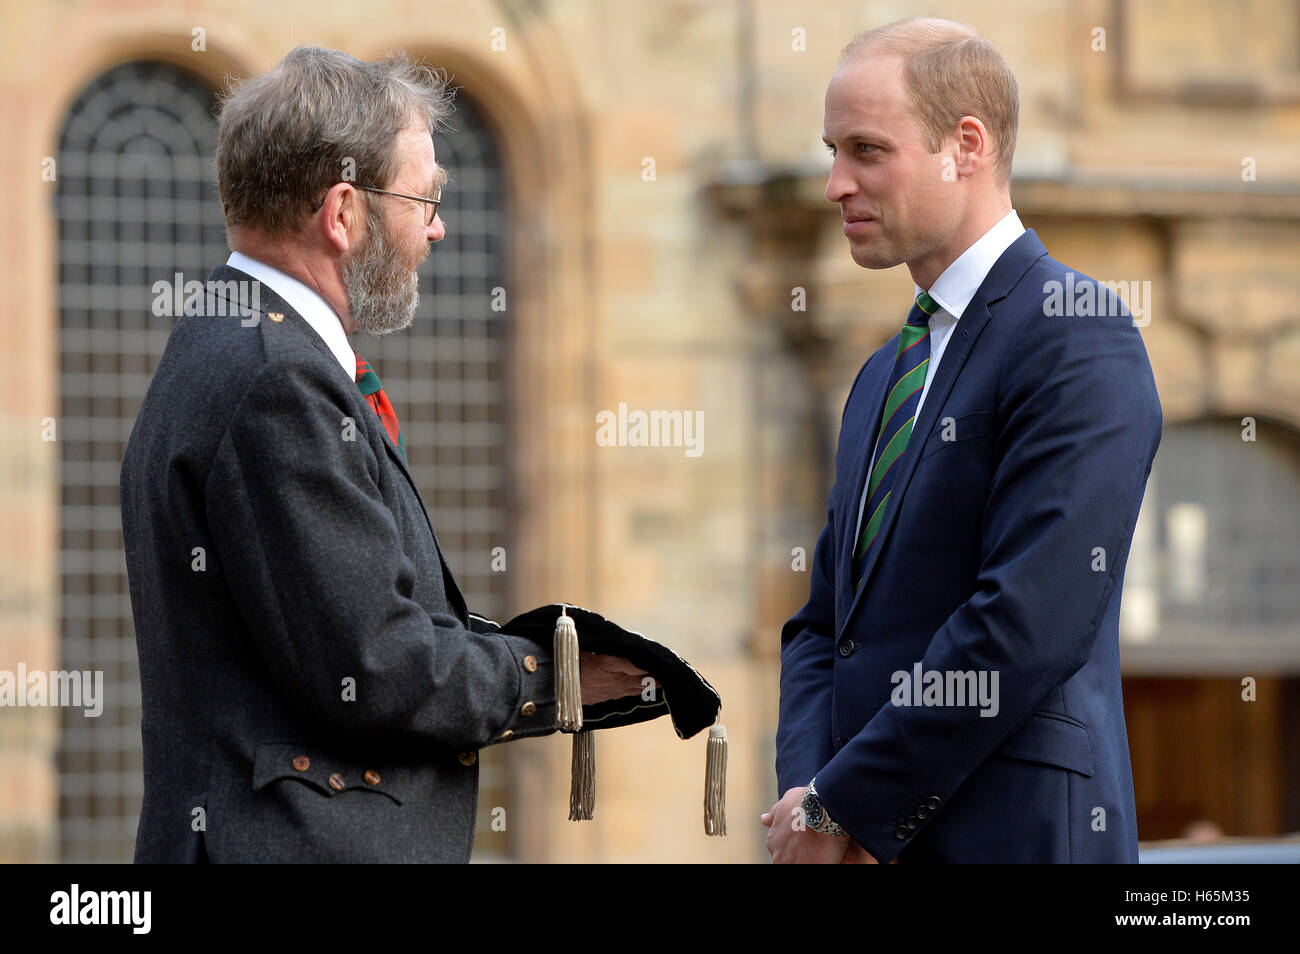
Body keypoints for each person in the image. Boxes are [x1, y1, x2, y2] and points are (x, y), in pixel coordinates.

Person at [120, 46, 645, 863]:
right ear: (343, 212)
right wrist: (561, 676)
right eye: (423, 199)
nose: (436, 226)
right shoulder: (275, 377)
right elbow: (374, 667)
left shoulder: (234, 342)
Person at [764, 18, 1161, 863]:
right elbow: (822, 628)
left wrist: (848, 804)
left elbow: (1026, 622)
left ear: (966, 145)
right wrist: (809, 798)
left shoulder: (1075, 333)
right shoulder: (881, 376)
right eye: (832, 150)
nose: (835, 183)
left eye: (867, 150)